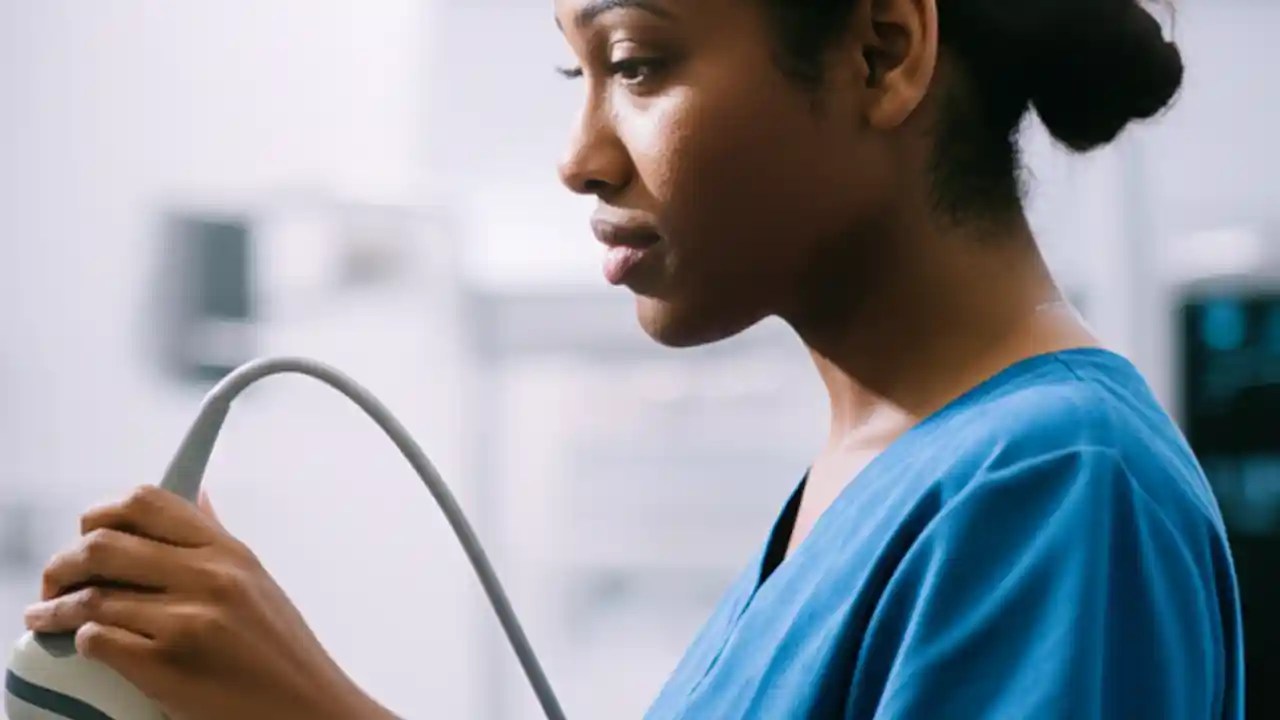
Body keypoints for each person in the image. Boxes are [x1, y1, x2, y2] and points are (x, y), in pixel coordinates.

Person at [22, 0, 1245, 718]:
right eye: (576, 70)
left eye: (636, 63)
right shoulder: (861, 490)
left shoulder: (1057, 492)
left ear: (880, 50)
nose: (579, 156)